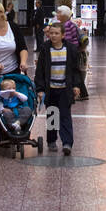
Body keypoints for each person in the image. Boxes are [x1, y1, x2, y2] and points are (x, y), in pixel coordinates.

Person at [0, 1, 30, 146]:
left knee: (11, 103)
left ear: (1, 13)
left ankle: (7, 133)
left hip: (12, 73)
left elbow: (22, 47)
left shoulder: (13, 27)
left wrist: (23, 62)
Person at [36, 22, 82, 156]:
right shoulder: (45, 48)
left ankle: (67, 143)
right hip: (50, 89)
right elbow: (40, 71)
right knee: (52, 114)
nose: (53, 36)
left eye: (57, 33)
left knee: (65, 115)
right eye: (51, 33)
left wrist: (76, 85)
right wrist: (40, 89)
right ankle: (51, 140)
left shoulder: (71, 49)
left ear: (63, 35)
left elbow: (75, 70)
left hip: (64, 89)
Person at [56, 5, 88, 100]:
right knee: (75, 72)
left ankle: (81, 93)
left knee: (74, 72)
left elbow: (68, 40)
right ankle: (82, 93)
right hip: (74, 52)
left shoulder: (66, 25)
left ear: (64, 15)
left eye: (59, 13)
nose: (57, 14)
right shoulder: (69, 24)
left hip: (72, 53)